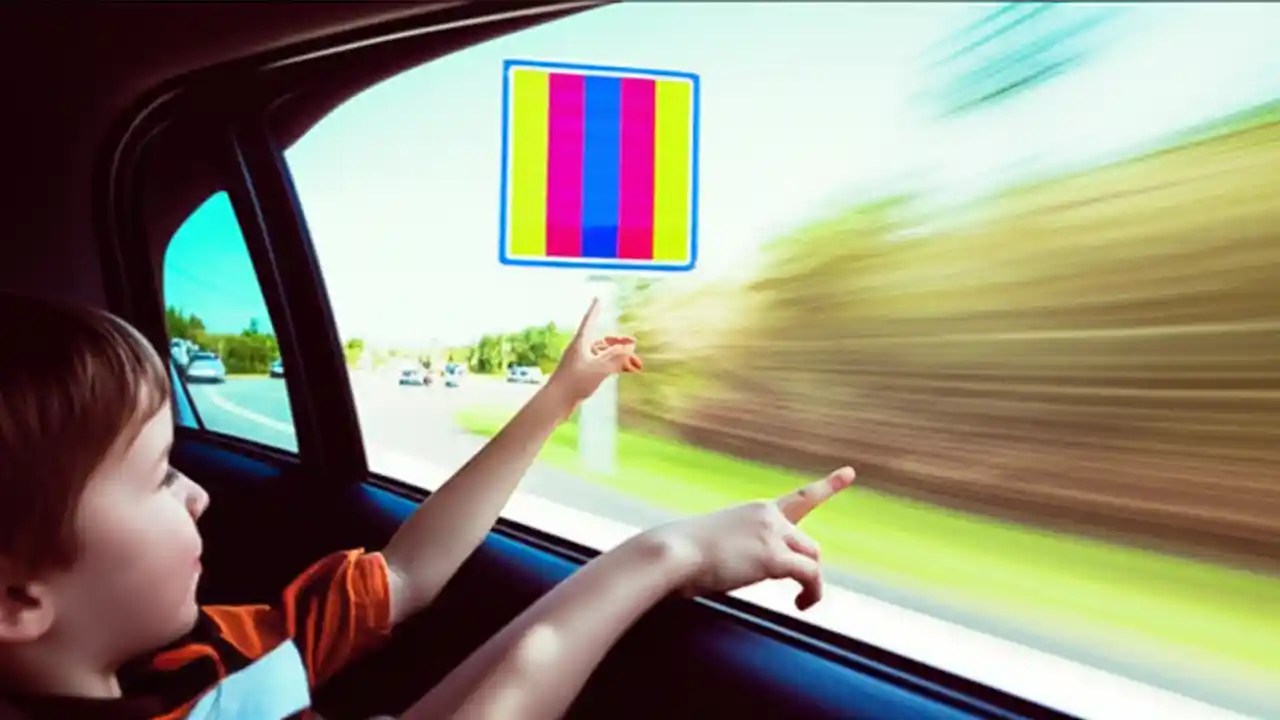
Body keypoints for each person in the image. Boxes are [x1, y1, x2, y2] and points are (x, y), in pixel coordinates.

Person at [0, 292, 854, 719]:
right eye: (158, 475)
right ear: (14, 599)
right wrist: (665, 557)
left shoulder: (207, 658)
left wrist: (560, 396)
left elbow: (404, 574)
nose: (199, 492)